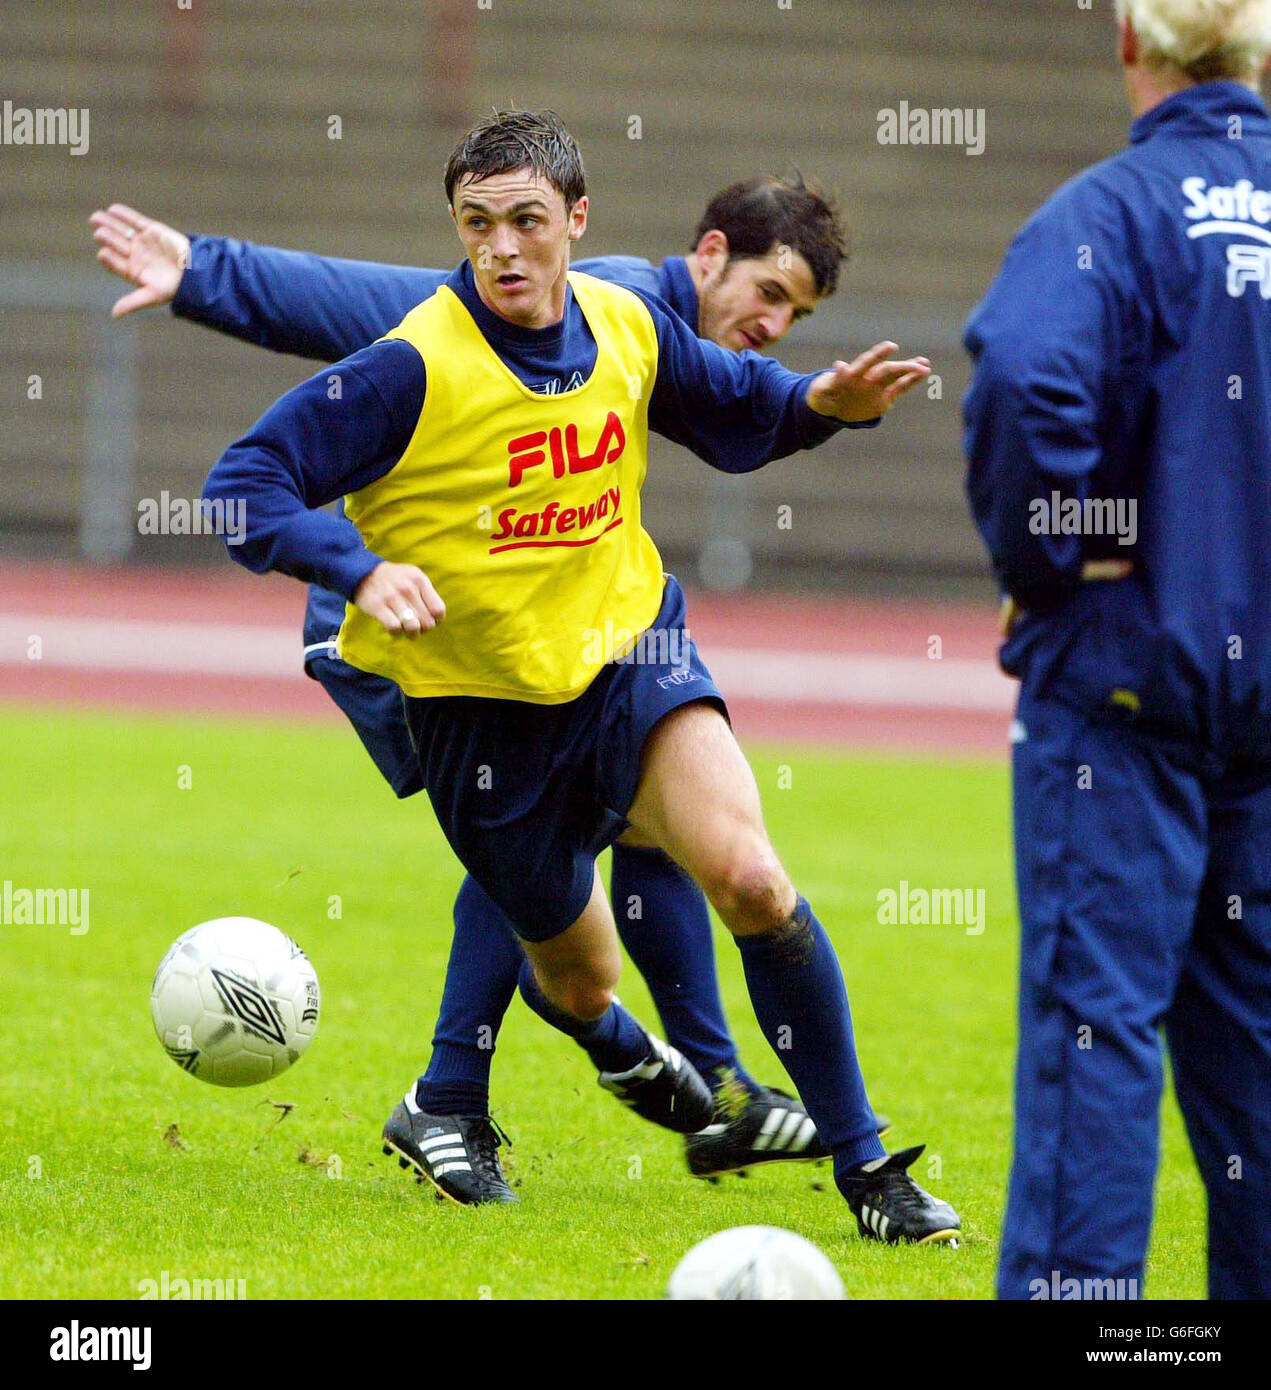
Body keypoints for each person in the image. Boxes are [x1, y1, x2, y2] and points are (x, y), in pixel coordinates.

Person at [203, 108, 961, 1244]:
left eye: (525, 222)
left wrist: (817, 406)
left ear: (577, 221)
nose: (502, 248)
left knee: (752, 879)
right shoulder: (414, 365)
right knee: (577, 980)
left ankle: (867, 1170)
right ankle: (616, 1062)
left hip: (628, 657)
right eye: (476, 225)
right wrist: (353, 567)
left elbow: (739, 400)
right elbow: (240, 483)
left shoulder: (622, 319)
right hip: (482, 713)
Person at [964, 0, 1271, 1298]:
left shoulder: (1108, 210)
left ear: (1127, 49)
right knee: (1256, 1059)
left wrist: (1059, 556)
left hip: (1128, 687)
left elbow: (1027, 375)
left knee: (1094, 1037)